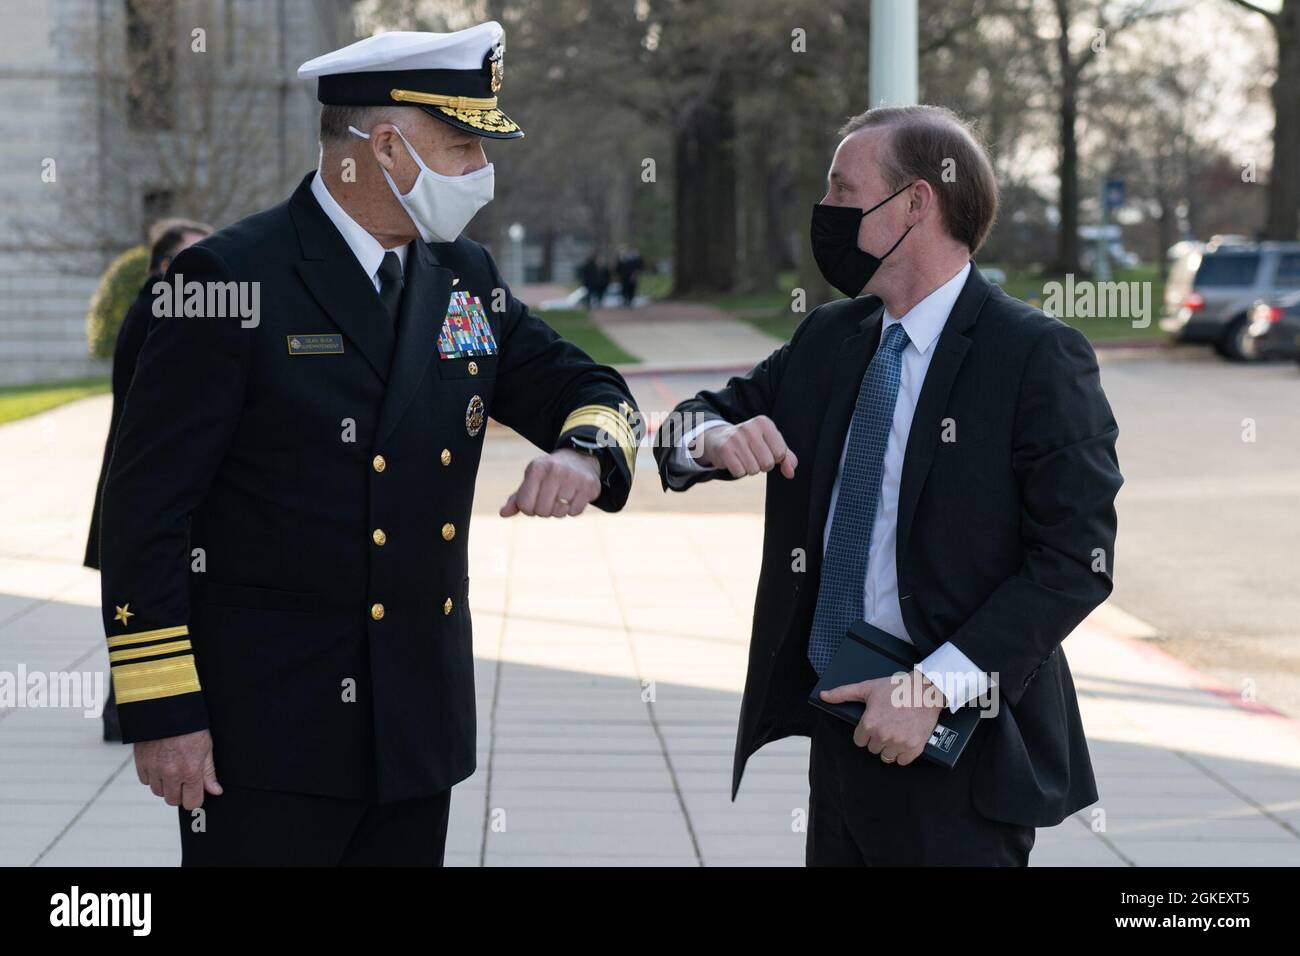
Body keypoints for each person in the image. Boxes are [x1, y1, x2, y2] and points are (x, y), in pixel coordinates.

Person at [98, 22, 640, 866]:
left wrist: (584, 455)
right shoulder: (230, 282)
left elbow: (591, 388)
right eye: (461, 147)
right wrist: (164, 712)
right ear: (384, 146)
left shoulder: (463, 276)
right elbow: (144, 512)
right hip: (266, 738)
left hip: (418, 731)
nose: (480, 174)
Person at [654, 104, 1122, 866]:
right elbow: (681, 426)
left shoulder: (1034, 356)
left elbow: (1075, 561)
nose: (826, 212)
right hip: (840, 729)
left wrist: (932, 688)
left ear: (915, 202)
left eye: (843, 191)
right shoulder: (832, 338)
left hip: (956, 750)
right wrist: (713, 438)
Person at [85, 218, 211, 742]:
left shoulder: (167, 309)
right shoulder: (157, 313)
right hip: (141, 488)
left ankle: (127, 710)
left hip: (140, 485)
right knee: (143, 605)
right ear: (164, 267)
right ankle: (130, 712)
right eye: (195, 260)